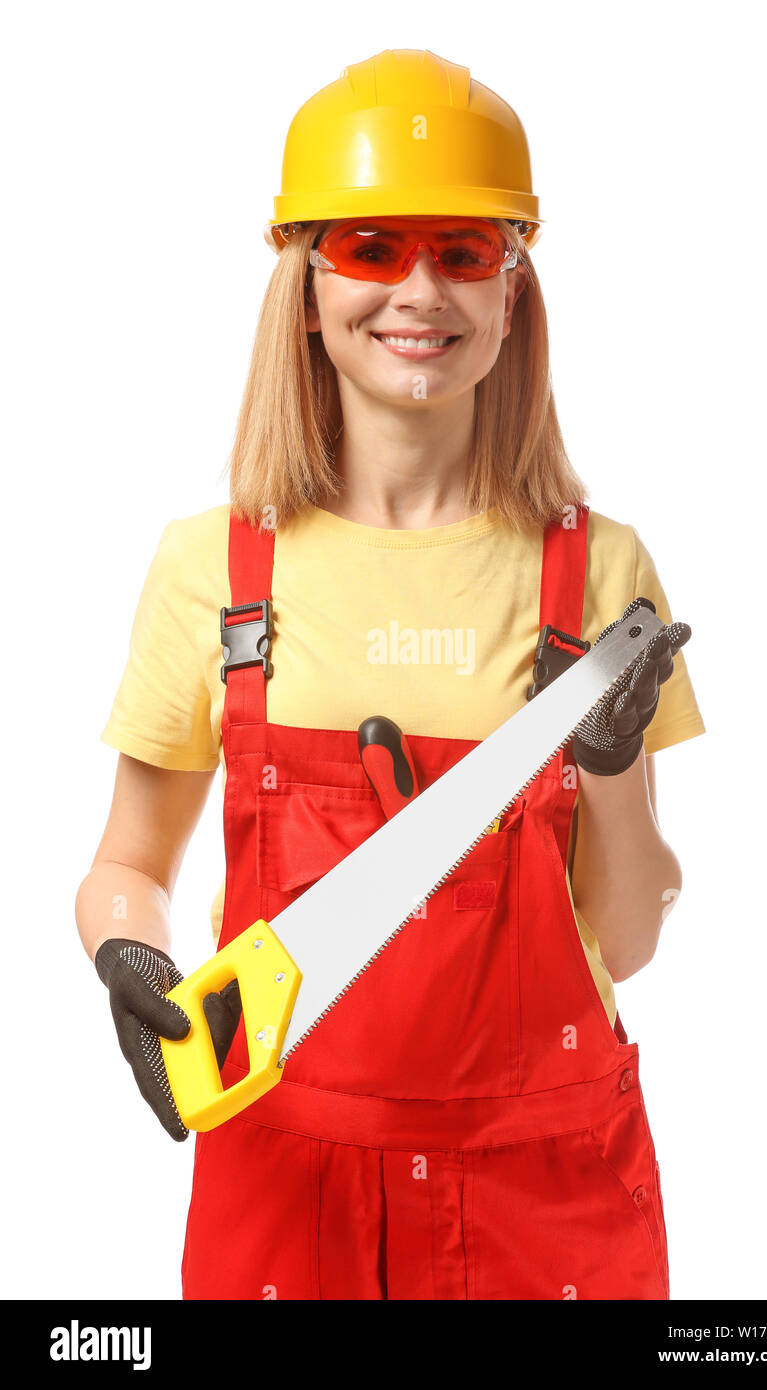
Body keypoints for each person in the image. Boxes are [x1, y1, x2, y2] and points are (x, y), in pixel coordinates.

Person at [76, 48, 705, 1301]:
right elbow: (128, 868)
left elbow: (625, 943)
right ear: (306, 286)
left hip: (546, 1202)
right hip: (283, 1194)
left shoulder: (598, 573)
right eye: (372, 246)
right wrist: (127, 956)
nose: (420, 289)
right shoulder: (214, 570)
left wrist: (616, 766)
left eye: (465, 250)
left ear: (513, 287)